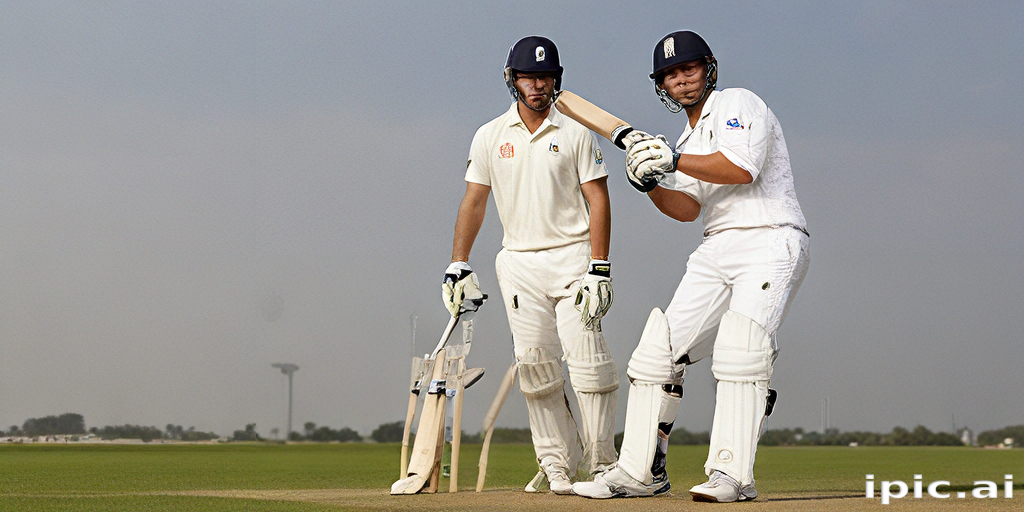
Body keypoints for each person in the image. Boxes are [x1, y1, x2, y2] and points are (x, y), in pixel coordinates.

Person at [572, 30, 810, 502]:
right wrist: (652, 182)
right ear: (661, 85)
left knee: (740, 353)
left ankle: (732, 476)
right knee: (656, 355)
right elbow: (687, 210)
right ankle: (640, 472)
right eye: (670, 75)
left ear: (709, 68)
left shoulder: (738, 103)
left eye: (688, 69)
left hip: (770, 236)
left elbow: (741, 168)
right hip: (716, 245)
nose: (681, 80)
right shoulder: (686, 136)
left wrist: (675, 158)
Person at [441, 35, 622, 494]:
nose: (537, 86)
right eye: (529, 77)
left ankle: (602, 462)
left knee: (587, 364)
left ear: (556, 81)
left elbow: (597, 199)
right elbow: (474, 201)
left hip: (574, 257)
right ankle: (556, 462)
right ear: (513, 80)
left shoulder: (577, 130)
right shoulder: (490, 135)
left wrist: (599, 266)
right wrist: (458, 263)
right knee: (536, 367)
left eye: (545, 77)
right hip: (519, 261)